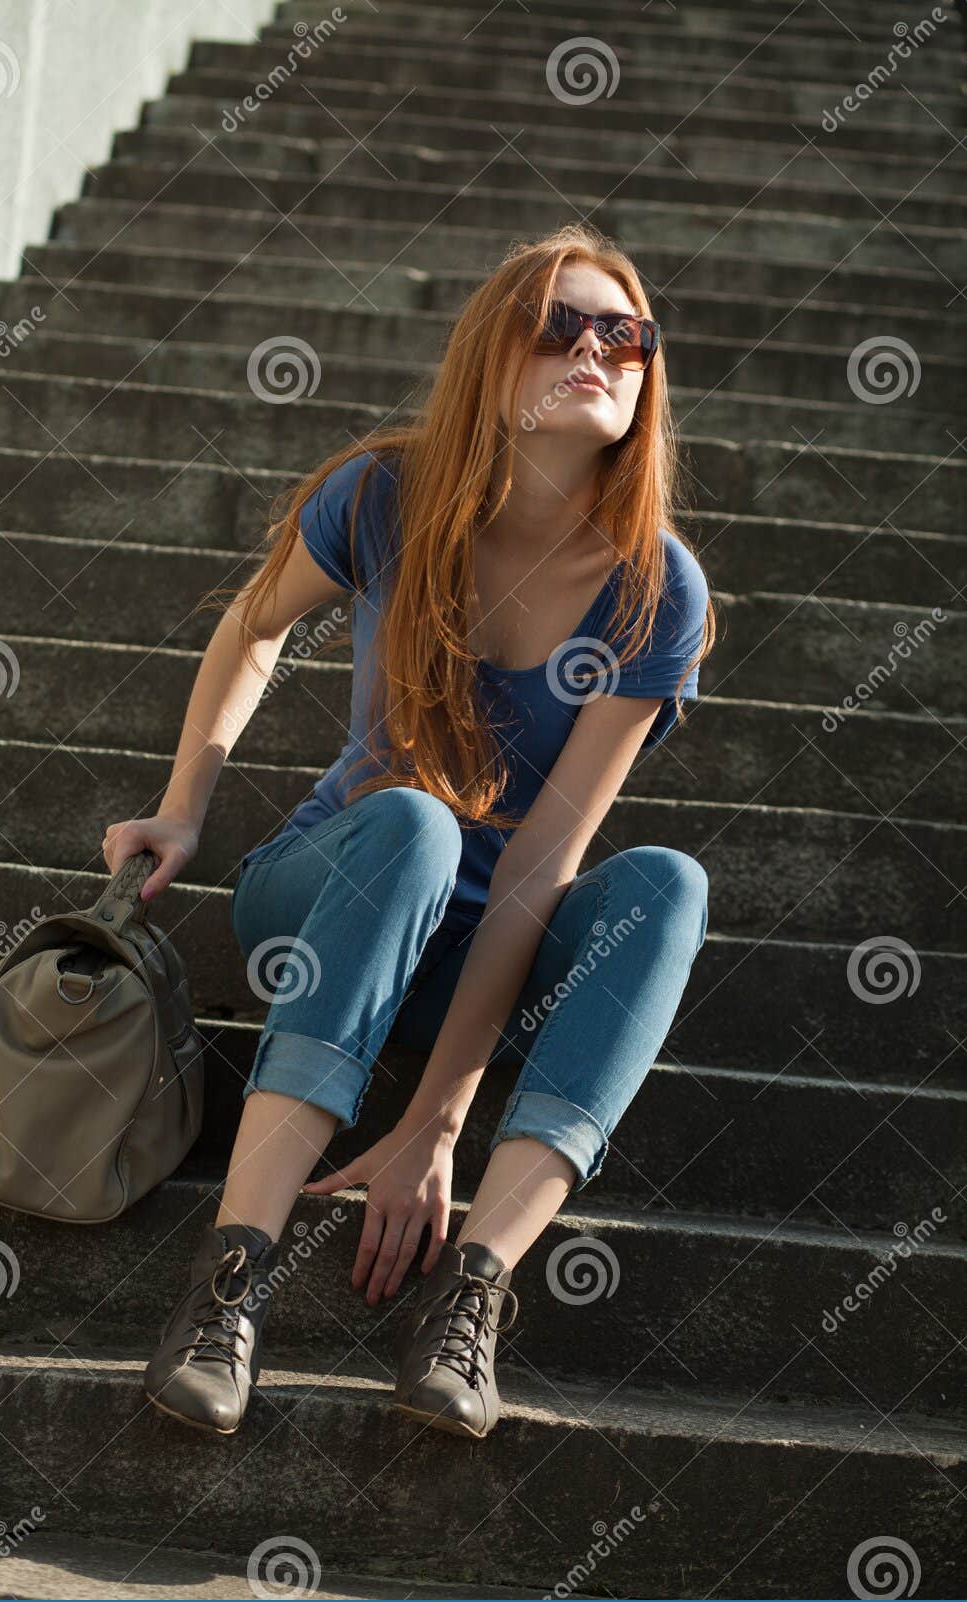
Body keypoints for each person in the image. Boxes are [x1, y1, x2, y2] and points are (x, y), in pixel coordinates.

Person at [102, 223, 716, 1442]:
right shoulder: (384, 492)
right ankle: (229, 1284)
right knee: (418, 827)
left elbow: (544, 863)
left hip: (481, 951)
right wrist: (185, 803)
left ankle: (471, 1292)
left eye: (624, 334)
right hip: (336, 882)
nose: (595, 348)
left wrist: (437, 1120)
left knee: (665, 884)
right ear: (488, 355)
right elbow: (252, 625)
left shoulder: (657, 587)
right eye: (558, 324)